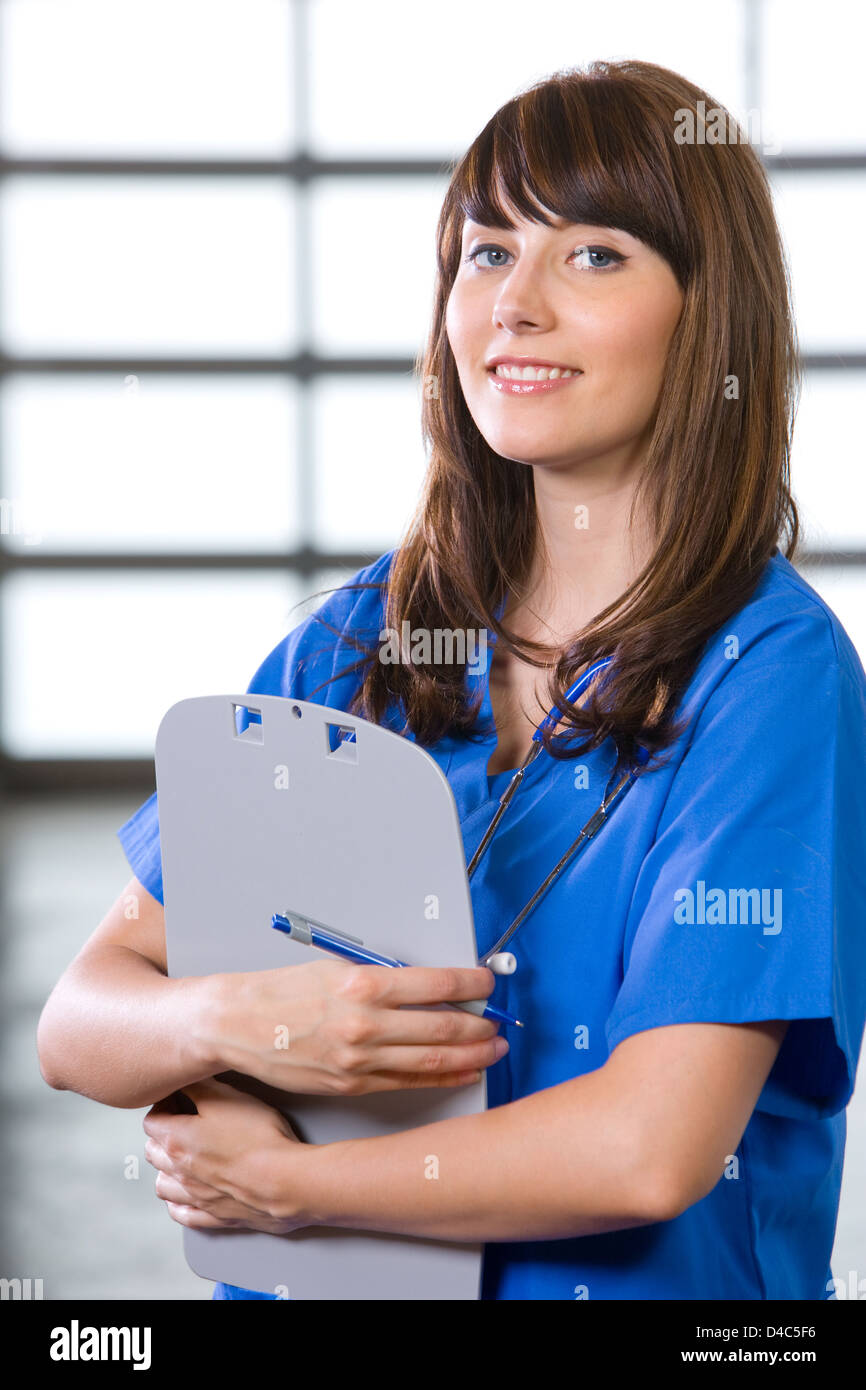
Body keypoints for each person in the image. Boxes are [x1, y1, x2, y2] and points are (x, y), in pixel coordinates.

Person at [37, 59, 866, 1301]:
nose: (513, 306)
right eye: (486, 253)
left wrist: (293, 1188)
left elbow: (648, 1150)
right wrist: (252, 1027)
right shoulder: (360, 638)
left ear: (708, 316)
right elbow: (81, 1019)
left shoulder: (769, 674)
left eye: (592, 255)